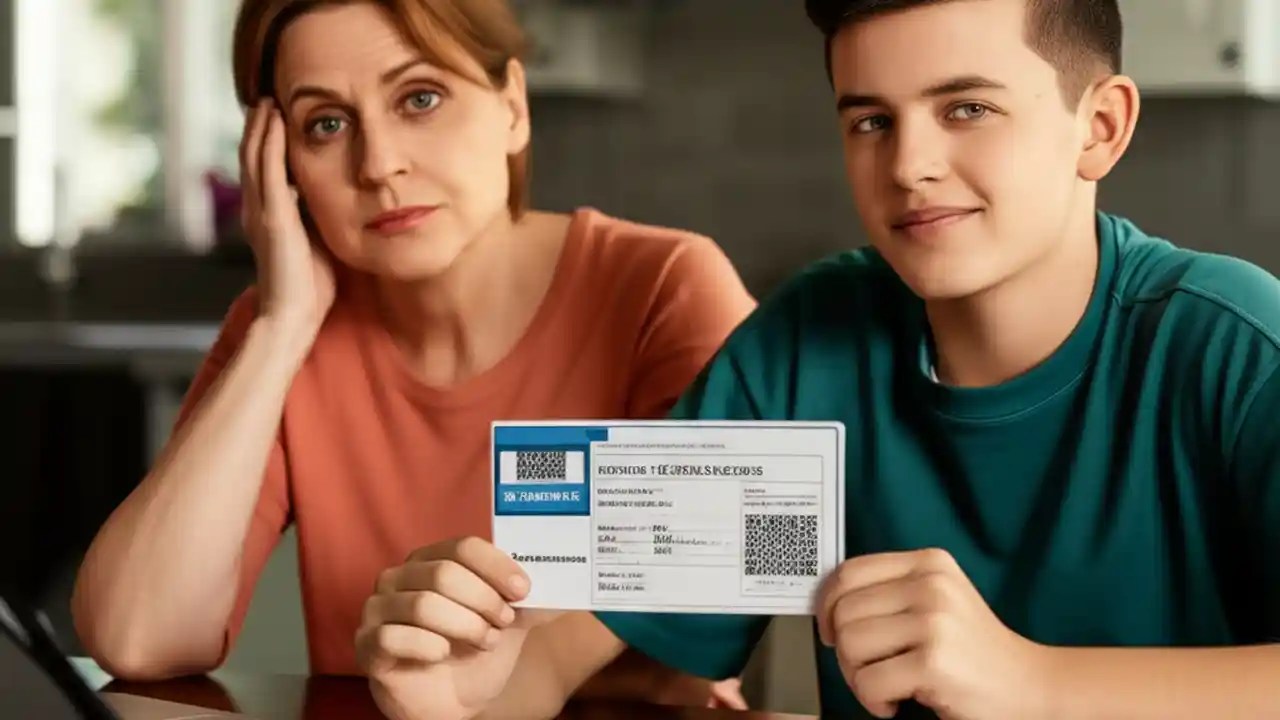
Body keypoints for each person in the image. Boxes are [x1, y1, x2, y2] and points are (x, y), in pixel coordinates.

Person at [353, 0, 1280, 718]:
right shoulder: (806, 345)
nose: (909, 163)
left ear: (1101, 127)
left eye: (967, 108)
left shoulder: (1233, 346)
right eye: (871, 120)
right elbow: (559, 656)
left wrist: (1033, 685)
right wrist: (475, 687)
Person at [69, 0, 755, 710]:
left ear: (512, 106)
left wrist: (526, 677)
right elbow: (138, 637)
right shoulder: (279, 330)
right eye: (326, 124)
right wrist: (281, 326)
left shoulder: (663, 286)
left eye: (420, 98)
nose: (379, 165)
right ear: (279, 163)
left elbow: (728, 548)